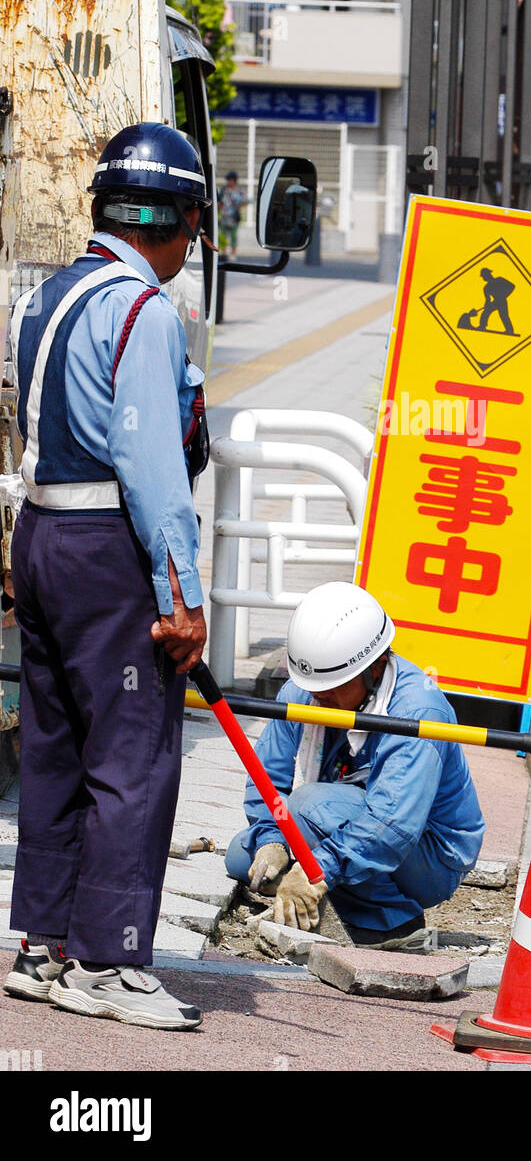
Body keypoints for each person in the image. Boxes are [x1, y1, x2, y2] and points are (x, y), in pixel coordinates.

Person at [3, 123, 210, 1029]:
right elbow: (156, 471)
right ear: (184, 222)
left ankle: (40, 947)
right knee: (133, 758)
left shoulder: (40, 299)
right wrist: (184, 600)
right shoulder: (143, 311)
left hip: (39, 533)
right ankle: (109, 962)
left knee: (52, 751)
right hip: (102, 549)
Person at [225, 582, 485, 949]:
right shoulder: (310, 688)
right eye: (314, 687)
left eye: (332, 688)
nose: (320, 697)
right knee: (243, 859)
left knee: (307, 806)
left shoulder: (417, 712)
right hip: (346, 815)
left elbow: (392, 824)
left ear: (375, 666)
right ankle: (328, 893)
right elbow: (267, 775)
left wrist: (317, 874)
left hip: (430, 854)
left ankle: (390, 923)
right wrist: (271, 840)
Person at [217, 170, 244, 255]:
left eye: (231, 180)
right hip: (224, 217)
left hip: (233, 217)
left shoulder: (239, 191)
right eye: (228, 180)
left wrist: (238, 207)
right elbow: (219, 201)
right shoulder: (224, 190)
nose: (229, 182)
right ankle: (223, 251)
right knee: (223, 235)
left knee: (233, 236)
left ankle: (233, 252)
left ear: (235, 180)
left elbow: (243, 202)